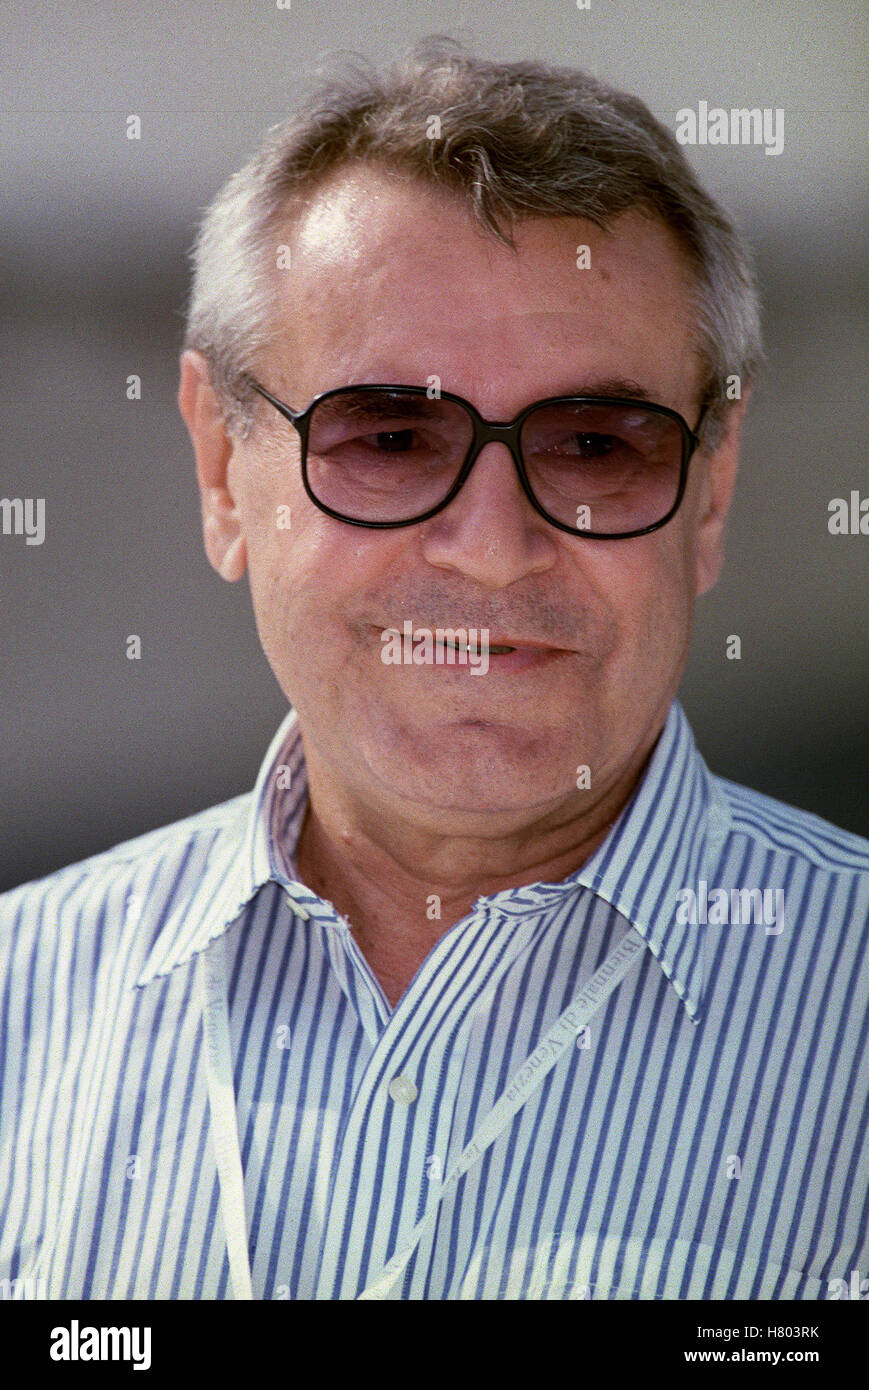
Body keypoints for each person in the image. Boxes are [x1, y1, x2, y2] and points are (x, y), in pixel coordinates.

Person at [1, 39, 866, 1302]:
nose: (492, 549)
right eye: (392, 436)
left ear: (710, 492)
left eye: (591, 443)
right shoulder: (21, 1006)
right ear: (217, 470)